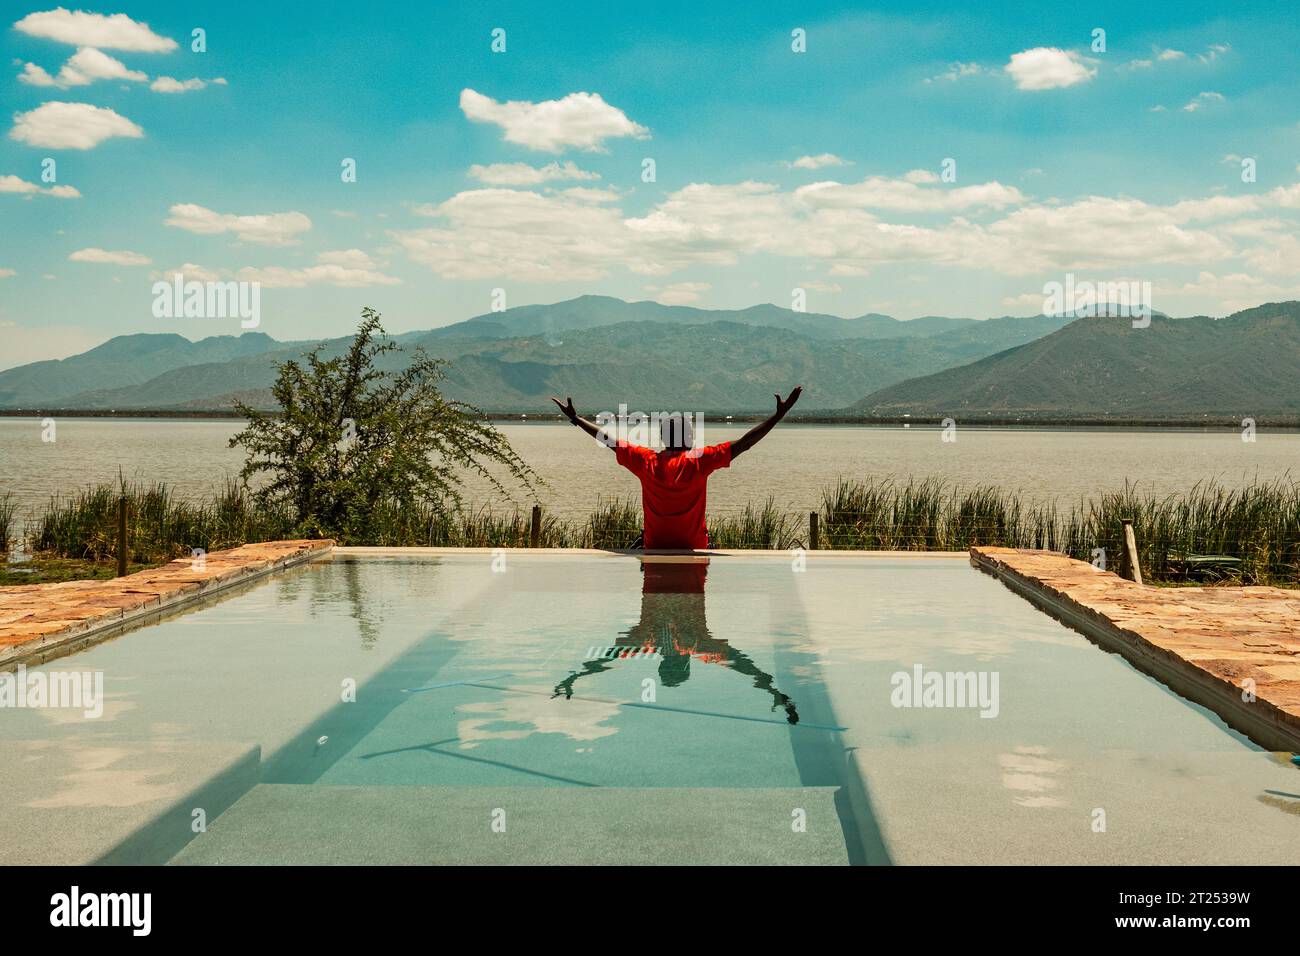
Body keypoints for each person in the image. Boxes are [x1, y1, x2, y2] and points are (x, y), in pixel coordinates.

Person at [550, 387, 802, 551]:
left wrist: (575, 419)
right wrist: (777, 417)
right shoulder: (700, 460)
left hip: (653, 548)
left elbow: (609, 441)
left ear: (663, 438)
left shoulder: (645, 461)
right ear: (689, 437)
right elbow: (744, 444)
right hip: (695, 550)